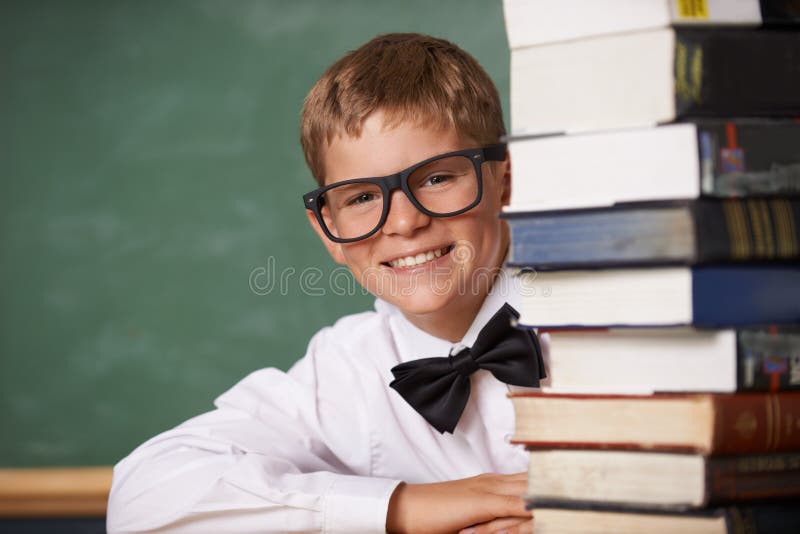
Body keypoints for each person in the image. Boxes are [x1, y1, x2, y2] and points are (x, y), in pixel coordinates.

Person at [107, 33, 546, 534]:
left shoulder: (606, 317)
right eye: (360, 198)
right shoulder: (343, 370)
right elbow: (143, 500)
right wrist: (402, 508)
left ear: (505, 183)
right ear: (329, 233)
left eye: (436, 178)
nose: (403, 223)